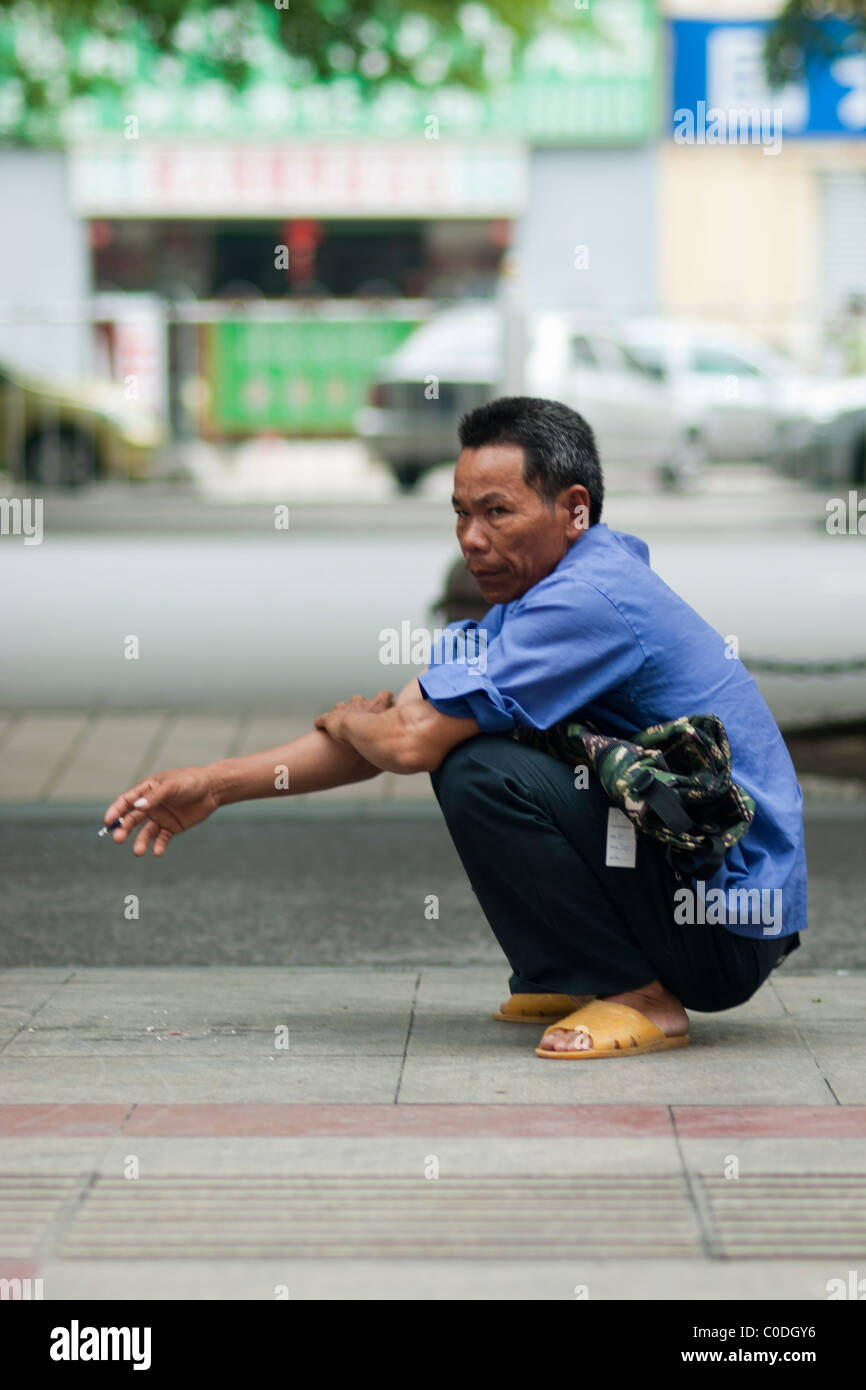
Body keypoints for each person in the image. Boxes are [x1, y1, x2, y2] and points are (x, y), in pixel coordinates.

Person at [103, 396, 806, 1061]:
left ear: (574, 510)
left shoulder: (587, 600)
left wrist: (354, 718)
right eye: (462, 513)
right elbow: (407, 727)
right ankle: (569, 971)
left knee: (481, 769)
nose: (473, 539)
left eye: (497, 512)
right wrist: (213, 785)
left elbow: (405, 741)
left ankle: (640, 995)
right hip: (700, 891)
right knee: (472, 746)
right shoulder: (537, 596)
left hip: (724, 922)